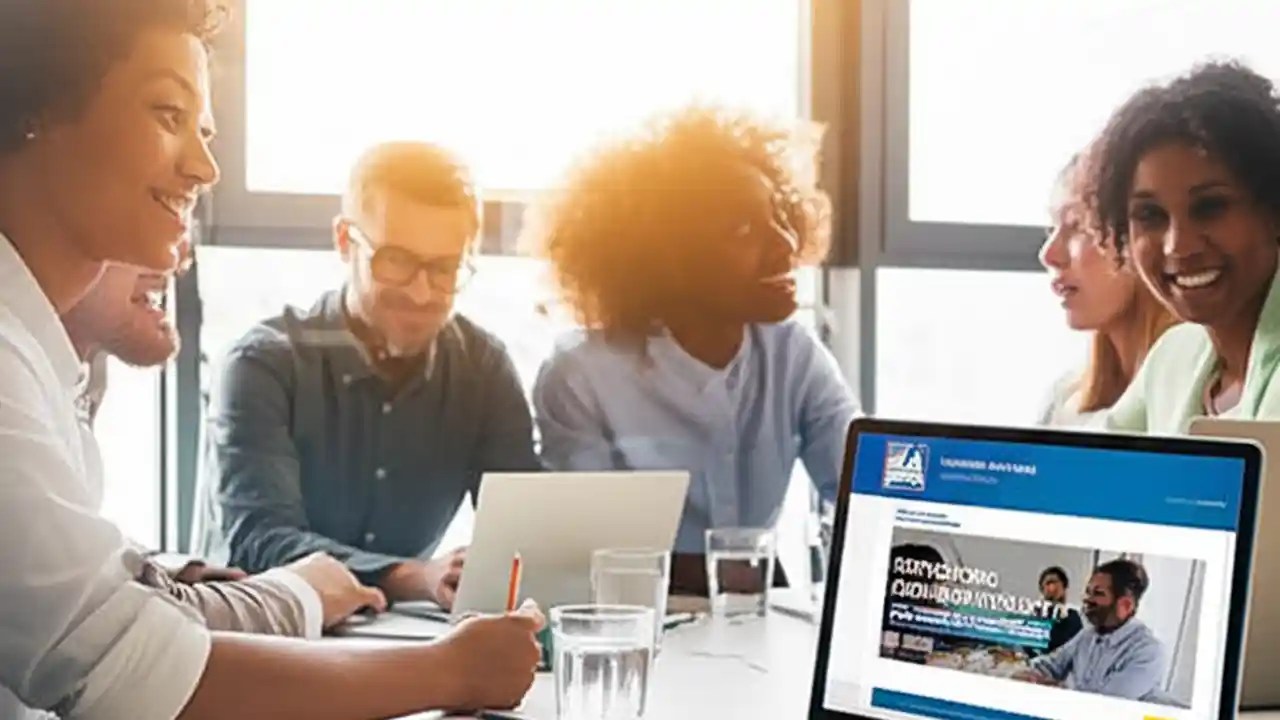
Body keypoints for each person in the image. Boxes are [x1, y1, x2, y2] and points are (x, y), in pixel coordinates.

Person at [0, 2, 541, 718]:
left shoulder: (37, 360)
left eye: (205, 130)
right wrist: (450, 671)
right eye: (167, 113)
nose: (205, 165)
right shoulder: (258, 359)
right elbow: (128, 672)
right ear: (39, 106)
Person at [527, 105, 860, 593]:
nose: (785, 243)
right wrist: (740, 574)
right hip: (648, 632)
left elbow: (863, 487)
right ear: (667, 257)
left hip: (756, 623)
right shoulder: (580, 376)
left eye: (779, 215)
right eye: (742, 229)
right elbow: (589, 556)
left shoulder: (794, 355)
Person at [198, 141, 540, 609]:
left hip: (398, 639)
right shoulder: (263, 365)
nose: (422, 293)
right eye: (396, 261)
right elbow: (260, 541)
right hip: (265, 630)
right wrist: (414, 577)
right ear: (344, 241)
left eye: (444, 269)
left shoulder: (482, 368)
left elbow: (524, 531)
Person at [63, 256, 389, 637]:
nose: (178, 258)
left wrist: (167, 570)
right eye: (162, 201)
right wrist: (301, 595)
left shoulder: (71, 375)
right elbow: (103, 633)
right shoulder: (13, 384)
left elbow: (64, 558)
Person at [1093, 61, 1280, 432]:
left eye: (1210, 207)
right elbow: (1083, 473)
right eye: (1149, 215)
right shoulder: (1174, 357)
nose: (1179, 246)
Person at [1037, 147, 1177, 426]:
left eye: (1078, 226)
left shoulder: (1199, 394)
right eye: (1052, 228)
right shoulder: (1065, 398)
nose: (1049, 255)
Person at [1018, 559, 1167, 702]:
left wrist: (1056, 688)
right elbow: (1052, 664)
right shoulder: (1088, 635)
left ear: (1125, 605)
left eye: (1098, 593)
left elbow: (1101, 705)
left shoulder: (1148, 652)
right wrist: (1024, 673)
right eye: (1088, 592)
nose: (1087, 599)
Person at [1033, 566, 1084, 655]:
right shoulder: (1035, 616)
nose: (1052, 588)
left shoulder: (1073, 616)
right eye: (1048, 583)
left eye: (1056, 583)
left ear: (1064, 587)